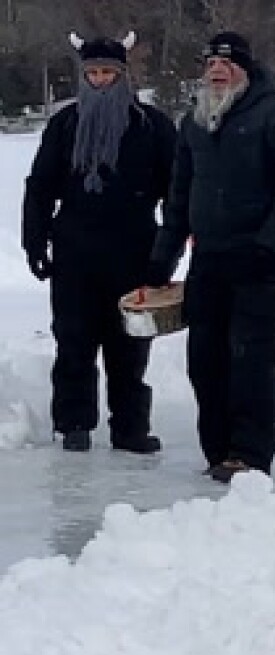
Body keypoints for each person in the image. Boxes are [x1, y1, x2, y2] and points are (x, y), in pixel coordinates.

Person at [148, 32, 275, 483]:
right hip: (211, 259)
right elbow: (179, 197)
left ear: (244, 69)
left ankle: (250, 454)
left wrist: (268, 242)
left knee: (252, 358)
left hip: (265, 261)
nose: (217, 71)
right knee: (206, 359)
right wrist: (161, 261)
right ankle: (218, 449)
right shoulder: (194, 122)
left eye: (226, 64)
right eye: (210, 65)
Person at [22, 31, 174, 454]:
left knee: (130, 345)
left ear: (123, 76)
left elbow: (177, 190)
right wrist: (34, 243)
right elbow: (40, 186)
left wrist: (168, 250)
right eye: (93, 73)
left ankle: (130, 428)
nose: (101, 80)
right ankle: (73, 422)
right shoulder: (65, 125)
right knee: (74, 340)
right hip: (75, 251)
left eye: (109, 72)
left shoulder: (152, 126)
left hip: (134, 251)